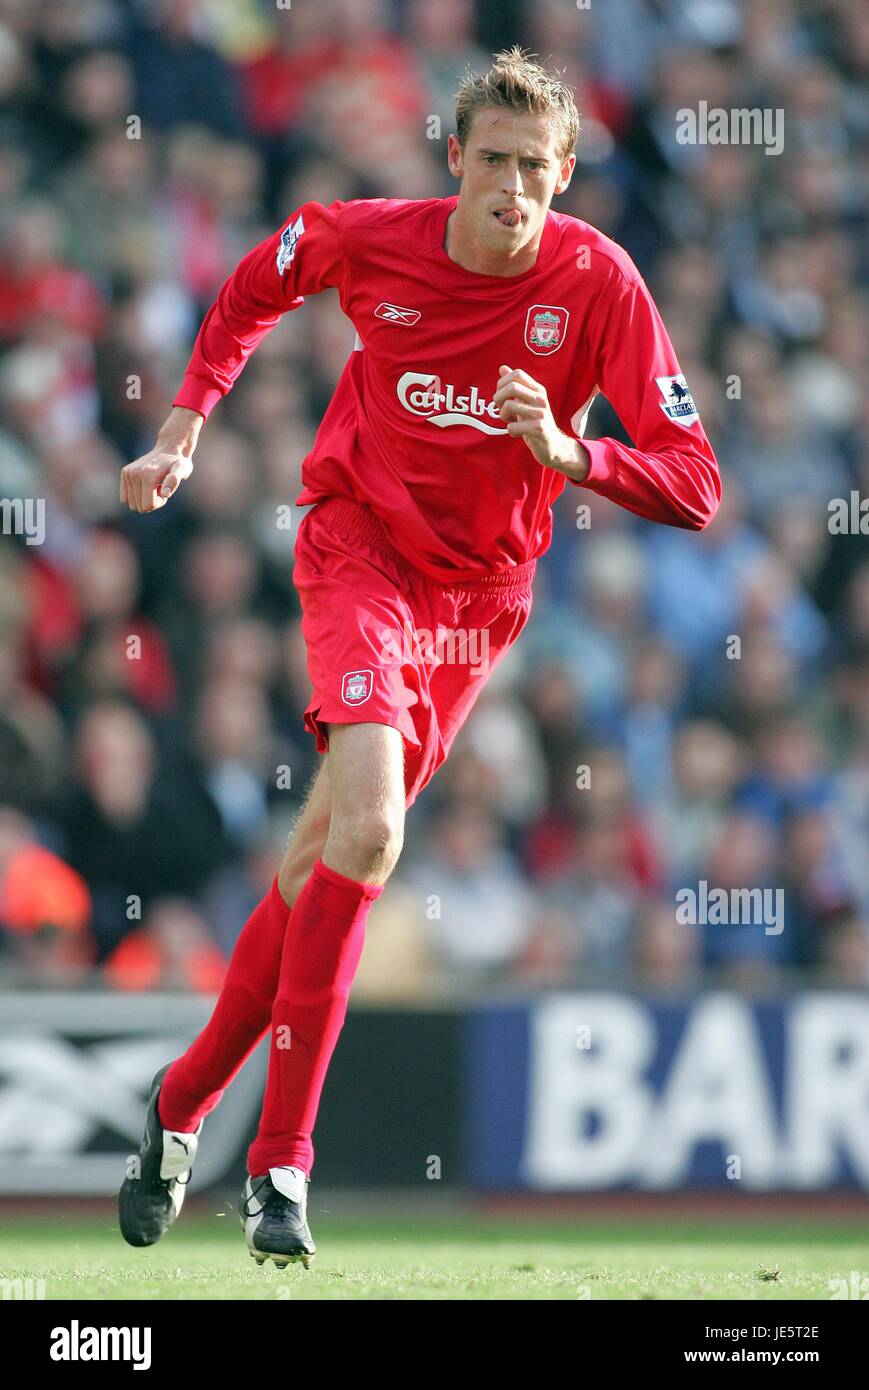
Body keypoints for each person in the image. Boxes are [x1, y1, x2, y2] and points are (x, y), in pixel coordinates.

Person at [117, 47, 720, 1268]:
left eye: (534, 170)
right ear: (454, 161)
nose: (510, 190)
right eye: (489, 162)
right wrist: (184, 426)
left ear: (562, 175)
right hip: (357, 552)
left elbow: (696, 485)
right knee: (374, 833)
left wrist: (571, 453)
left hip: (477, 602)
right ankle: (282, 1163)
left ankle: (178, 1110)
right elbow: (246, 289)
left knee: (319, 858)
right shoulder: (368, 237)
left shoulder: (598, 283)